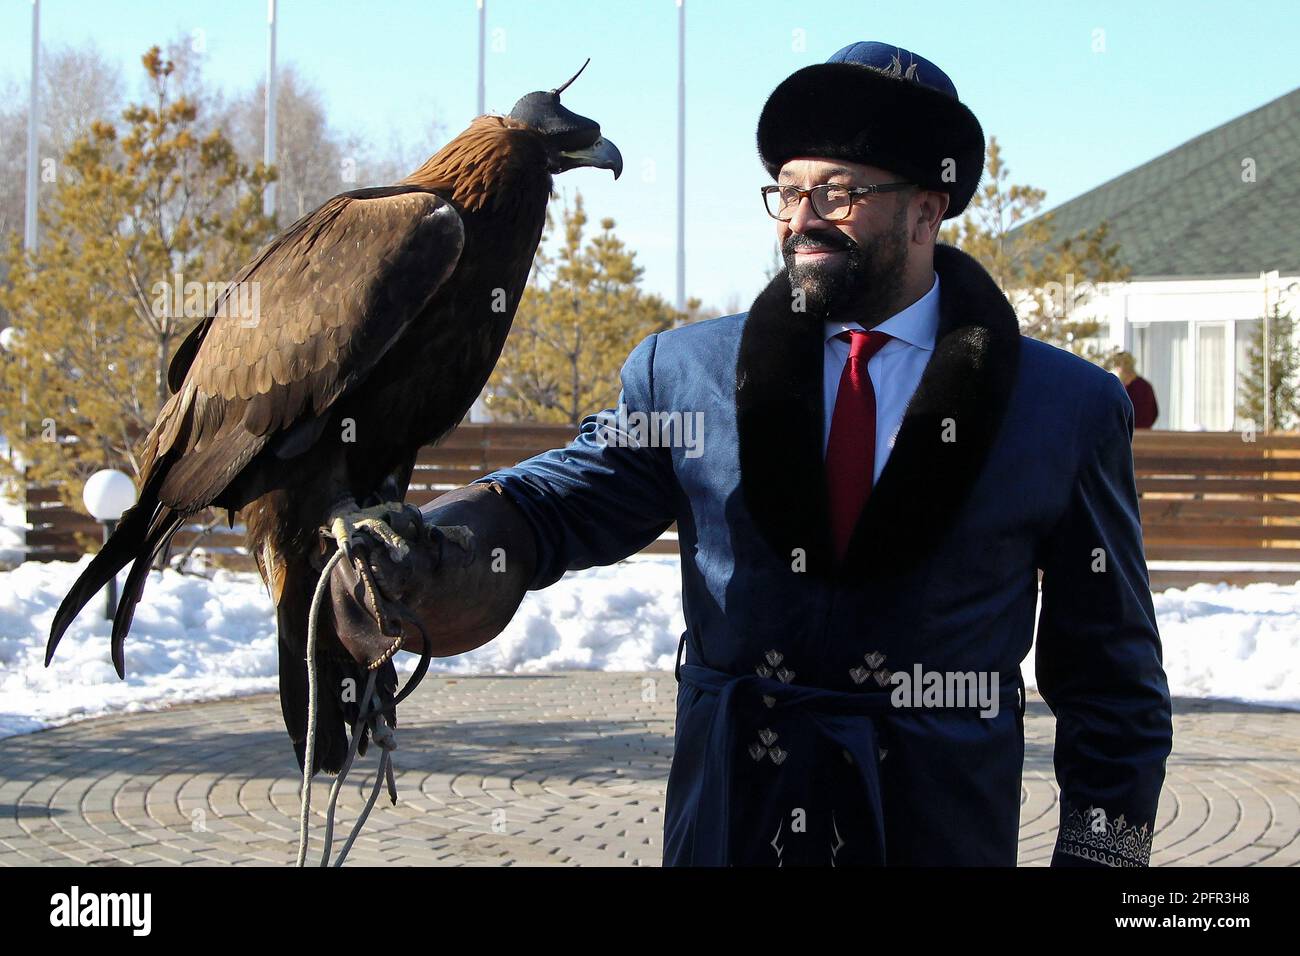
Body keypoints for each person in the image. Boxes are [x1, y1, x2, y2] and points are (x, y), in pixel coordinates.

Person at [331, 41, 1173, 867]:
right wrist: (453, 538)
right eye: (790, 192)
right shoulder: (687, 373)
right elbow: (569, 497)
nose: (804, 219)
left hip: (938, 829)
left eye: (841, 194)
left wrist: (1106, 864)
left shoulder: (1063, 407)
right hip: (733, 821)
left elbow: (1114, 688)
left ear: (927, 207)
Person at [1111, 352, 1159, 428]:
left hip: (1139, 433)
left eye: (1118, 366)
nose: (1117, 370)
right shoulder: (1119, 387)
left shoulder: (1143, 387)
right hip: (1131, 433)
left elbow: (1152, 413)